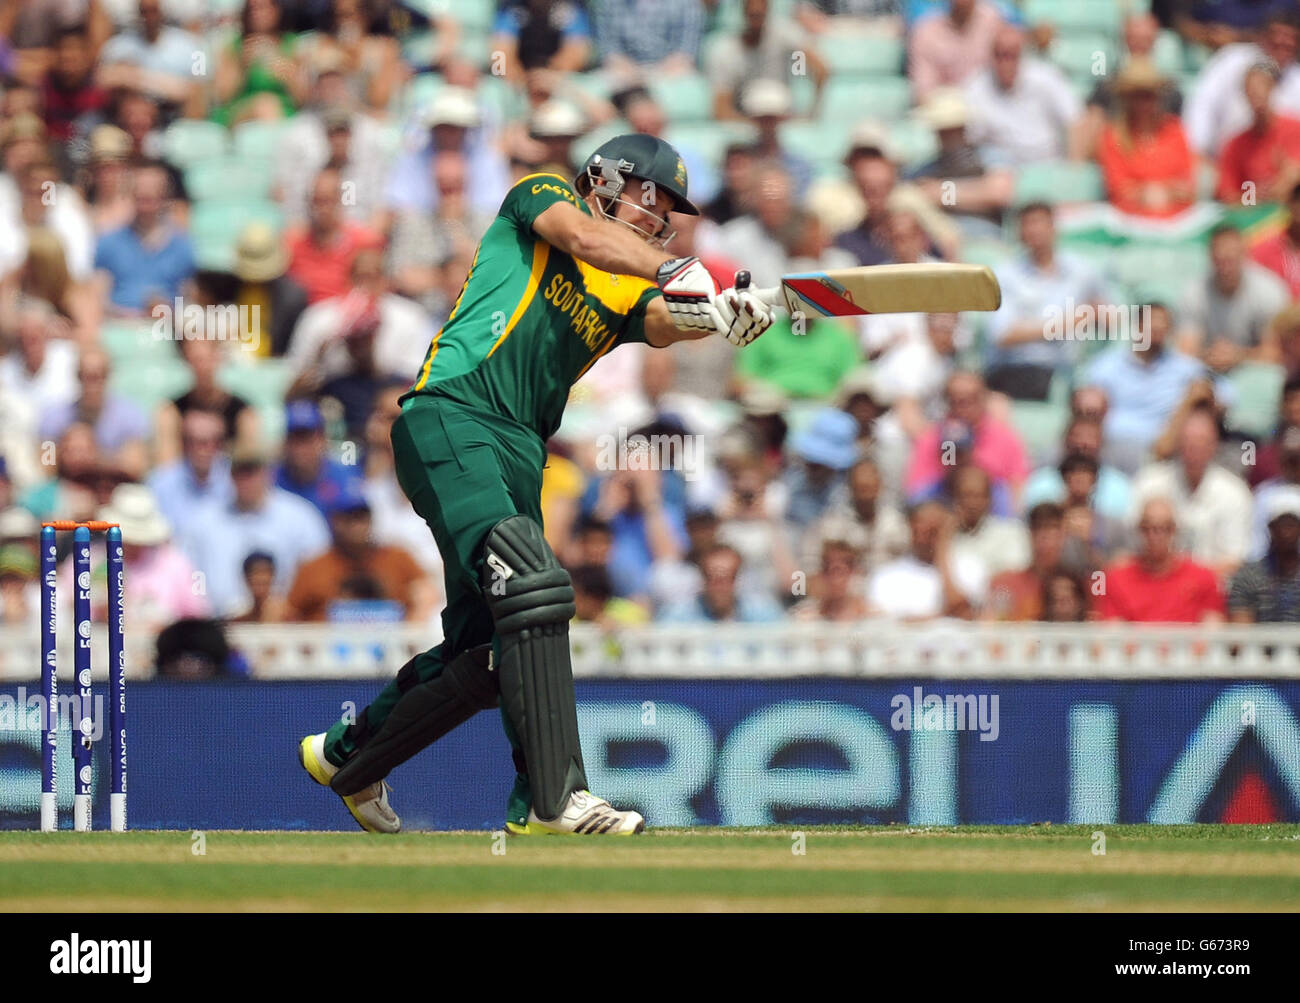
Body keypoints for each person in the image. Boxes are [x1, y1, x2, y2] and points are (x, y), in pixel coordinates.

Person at [296, 133, 775, 836]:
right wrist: (679, 268)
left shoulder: (625, 285)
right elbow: (588, 239)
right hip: (453, 415)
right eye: (656, 199)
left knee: (493, 651)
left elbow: (665, 319)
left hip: (519, 450)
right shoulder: (543, 196)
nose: (662, 217)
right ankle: (555, 799)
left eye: (672, 210)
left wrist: (729, 314)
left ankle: (348, 757)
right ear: (609, 180)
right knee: (533, 579)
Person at [286, 482, 435, 623]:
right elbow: (289, 611)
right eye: (349, 518)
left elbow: (427, 594)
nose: (357, 525)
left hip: (391, 646)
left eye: (362, 517)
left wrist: (411, 630)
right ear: (335, 521)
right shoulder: (314, 567)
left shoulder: (397, 558)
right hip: (327, 647)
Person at [1093, 497, 1225, 623]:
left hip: (1186, 646)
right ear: (1139, 530)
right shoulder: (1115, 579)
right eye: (1148, 528)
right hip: (1135, 646)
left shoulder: (1203, 577)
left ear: (1174, 530)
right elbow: (1111, 635)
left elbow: (1213, 633)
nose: (1155, 535)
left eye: (1164, 528)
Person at [1178, 223, 1288, 370]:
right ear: (1211, 257)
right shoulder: (1194, 292)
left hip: (1255, 369)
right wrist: (1211, 355)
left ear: (1244, 255)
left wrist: (1239, 355)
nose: (1226, 267)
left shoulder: (1269, 291)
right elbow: (1185, 351)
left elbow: (1276, 353)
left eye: (1231, 259)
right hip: (1208, 366)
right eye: (1220, 260)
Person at [1097, 59, 1196, 220]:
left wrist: (1161, 192)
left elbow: (1188, 186)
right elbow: (1118, 188)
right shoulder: (1113, 135)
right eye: (1137, 96)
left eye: (1149, 96)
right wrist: (1147, 193)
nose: (1143, 103)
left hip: (1178, 217)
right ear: (1126, 99)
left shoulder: (1175, 129)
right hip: (1132, 219)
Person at [1228, 486, 1300, 622]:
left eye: (1291, 525)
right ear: (1270, 528)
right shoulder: (1248, 576)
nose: (1285, 533)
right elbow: (1241, 632)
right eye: (1280, 525)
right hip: (1258, 643)